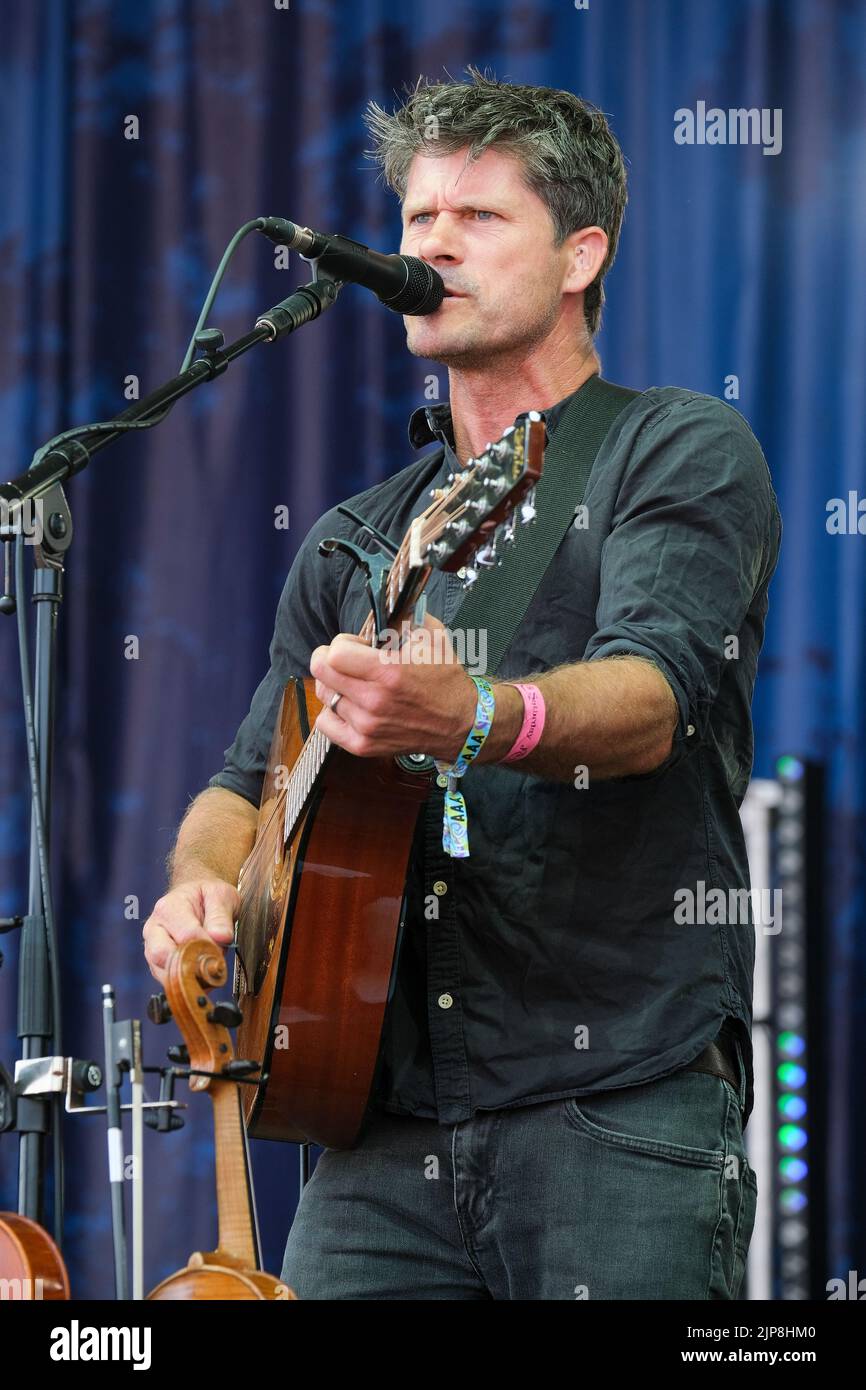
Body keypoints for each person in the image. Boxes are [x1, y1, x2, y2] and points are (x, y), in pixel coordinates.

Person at [143, 68, 781, 1300]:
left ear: (581, 254)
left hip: (609, 1113)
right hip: (371, 1134)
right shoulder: (353, 539)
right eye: (419, 219)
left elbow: (652, 698)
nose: (432, 241)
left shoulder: (674, 448)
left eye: (477, 218)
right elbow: (244, 783)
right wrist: (199, 892)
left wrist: (480, 713)